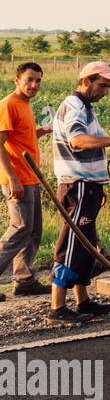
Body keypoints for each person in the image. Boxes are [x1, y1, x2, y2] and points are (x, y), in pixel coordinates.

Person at [49, 62, 110, 324]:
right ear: (86, 80)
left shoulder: (85, 107)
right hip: (79, 185)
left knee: (85, 245)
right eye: (102, 85)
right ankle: (57, 308)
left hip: (88, 186)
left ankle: (83, 301)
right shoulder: (75, 106)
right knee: (71, 243)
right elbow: (77, 140)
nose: (106, 92)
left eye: (108, 87)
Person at [0, 63, 53, 301]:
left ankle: (24, 280)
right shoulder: (9, 104)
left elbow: (23, 137)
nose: (34, 85)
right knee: (20, 228)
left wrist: (45, 129)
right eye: (29, 80)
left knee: (33, 231)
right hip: (17, 178)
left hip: (30, 176)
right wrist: (12, 178)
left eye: (38, 81)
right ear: (17, 79)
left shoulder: (25, 105)